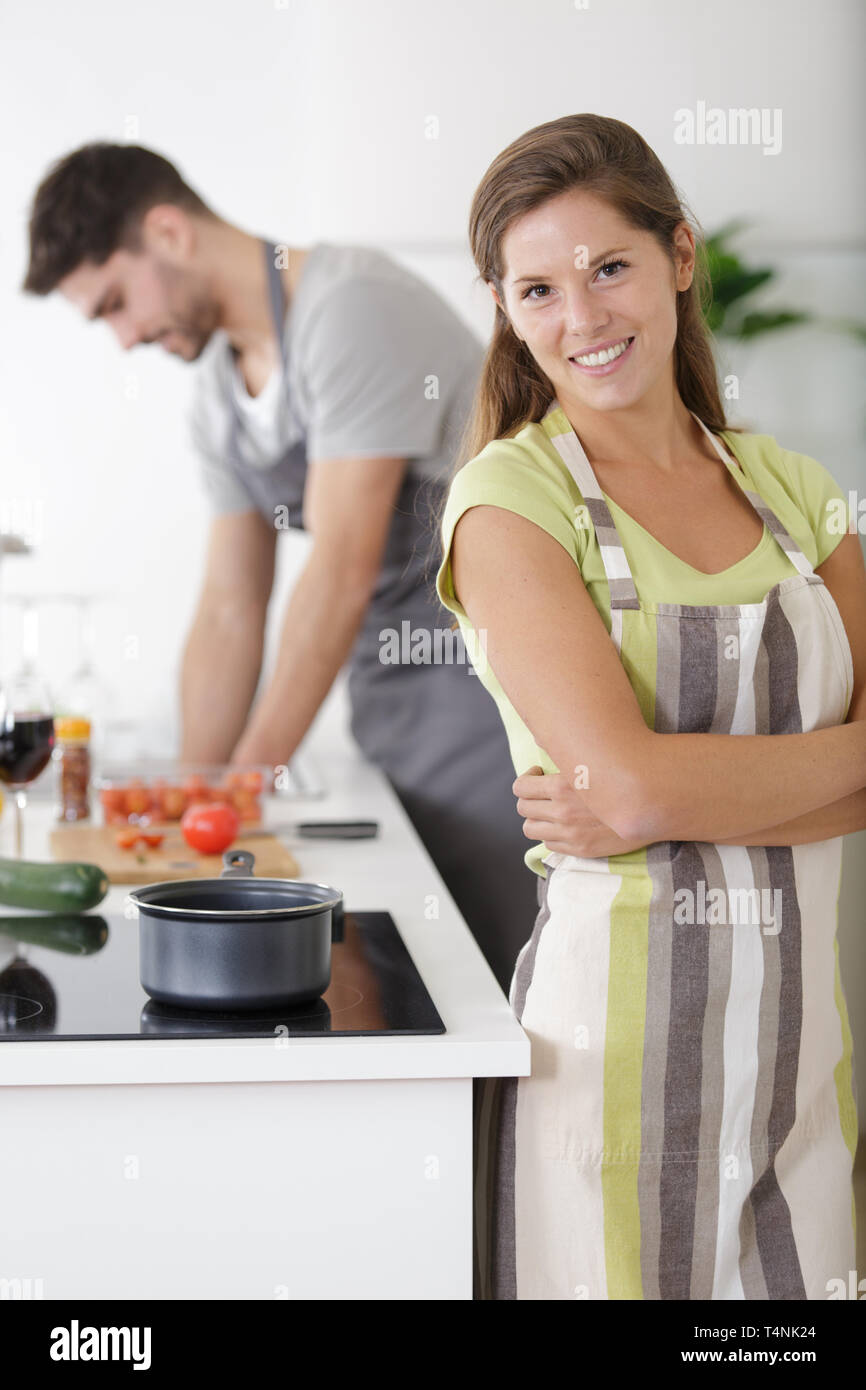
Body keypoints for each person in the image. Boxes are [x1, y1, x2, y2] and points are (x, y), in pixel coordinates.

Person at [435, 113, 866, 1300]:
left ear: (678, 255)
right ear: (505, 310)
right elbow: (615, 783)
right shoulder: (508, 501)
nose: (581, 316)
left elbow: (629, 795)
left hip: (796, 1073)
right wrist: (813, 779)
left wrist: (651, 811)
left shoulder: (793, 490)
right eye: (536, 288)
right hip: (612, 1072)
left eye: (607, 266)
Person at [22, 142, 539, 990]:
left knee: (500, 983)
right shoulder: (218, 401)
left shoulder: (350, 309)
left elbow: (338, 570)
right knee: (426, 981)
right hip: (392, 696)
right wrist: (199, 790)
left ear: (168, 231)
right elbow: (230, 606)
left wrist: (241, 790)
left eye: (115, 302)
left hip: (492, 690)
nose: (124, 338)